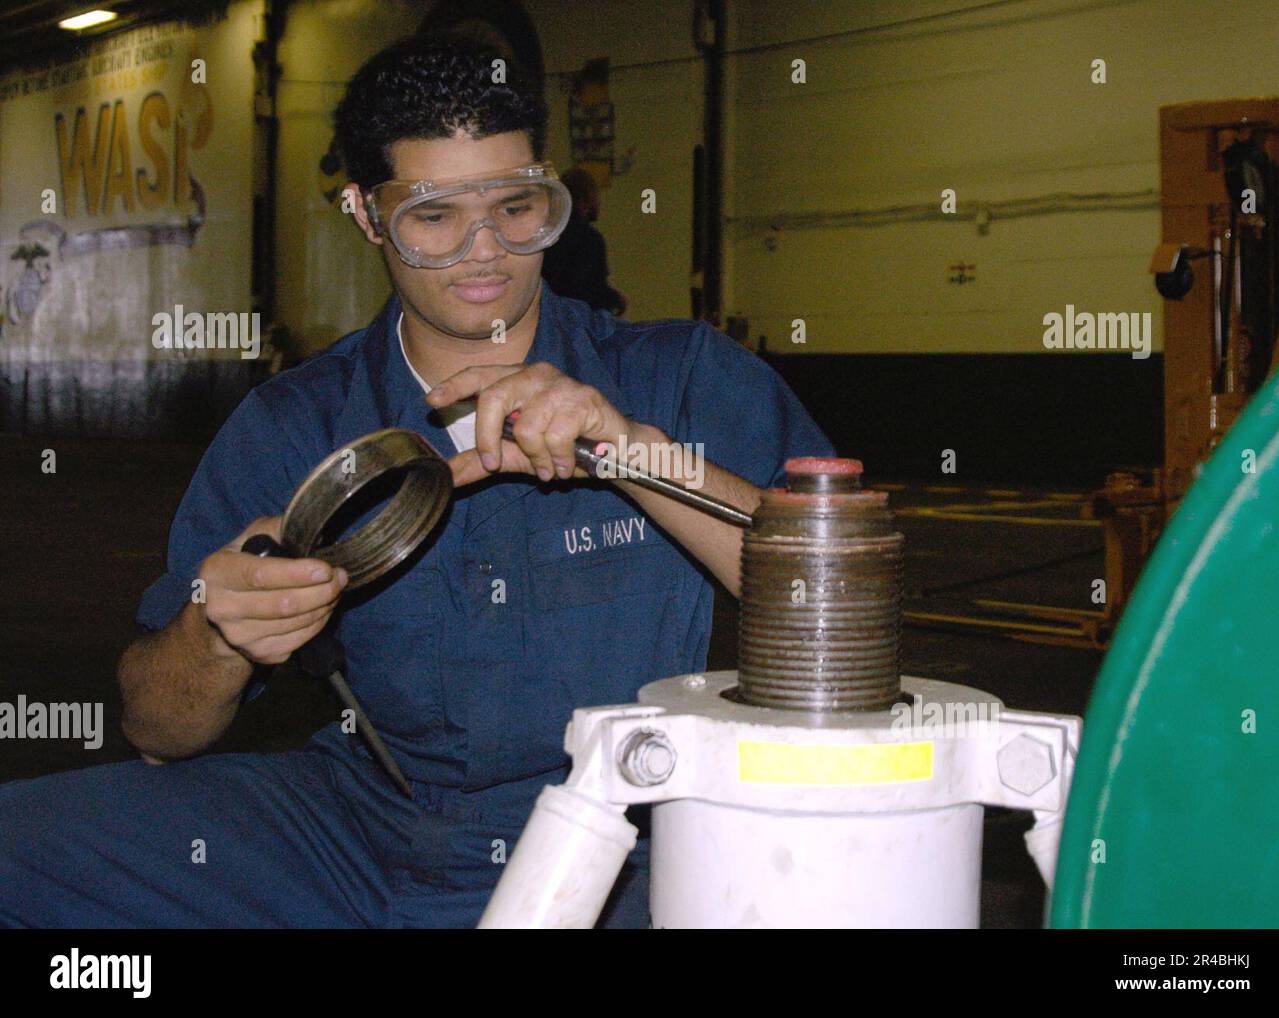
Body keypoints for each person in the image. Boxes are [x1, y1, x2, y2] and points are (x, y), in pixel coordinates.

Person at [0, 34, 833, 928]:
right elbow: (156, 730)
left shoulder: (680, 376)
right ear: (364, 212)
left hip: (621, 833)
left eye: (517, 206)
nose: (485, 251)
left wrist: (634, 451)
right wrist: (217, 633)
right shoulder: (297, 422)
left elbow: (832, 600)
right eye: (433, 217)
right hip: (362, 823)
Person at [542, 166, 626, 314]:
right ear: (586, 198)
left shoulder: (547, 236)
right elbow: (592, 290)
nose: (599, 202)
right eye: (596, 195)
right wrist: (616, 300)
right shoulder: (590, 239)